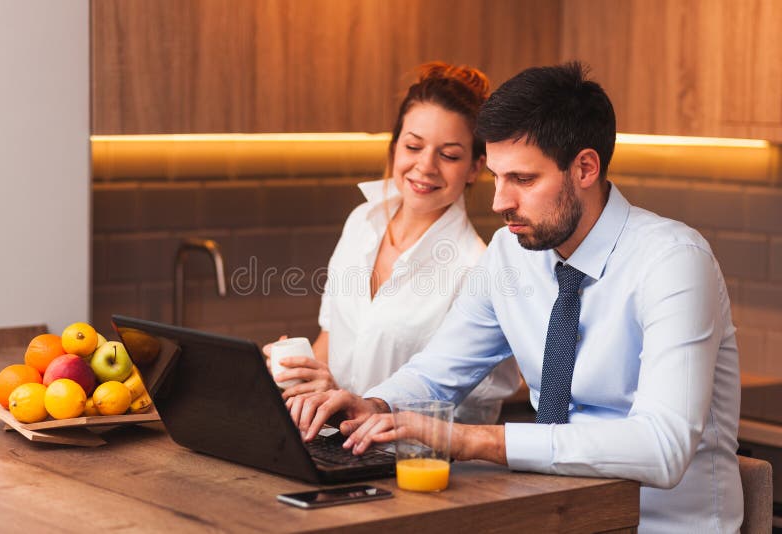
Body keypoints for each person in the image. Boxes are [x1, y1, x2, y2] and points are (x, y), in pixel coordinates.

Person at [289, 62, 742, 533]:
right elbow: (436, 372)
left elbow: (662, 448)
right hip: (554, 516)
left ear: (585, 168)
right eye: (497, 177)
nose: (499, 202)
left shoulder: (674, 262)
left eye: (523, 180)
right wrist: (376, 405)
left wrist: (471, 441)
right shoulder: (509, 253)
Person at [270, 62, 520, 424]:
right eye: (413, 146)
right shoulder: (361, 223)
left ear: (474, 167)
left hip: (403, 455)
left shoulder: (476, 270)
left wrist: (349, 401)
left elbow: (469, 416)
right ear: (394, 147)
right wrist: (300, 370)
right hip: (331, 440)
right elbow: (331, 339)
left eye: (449, 155)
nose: (426, 166)